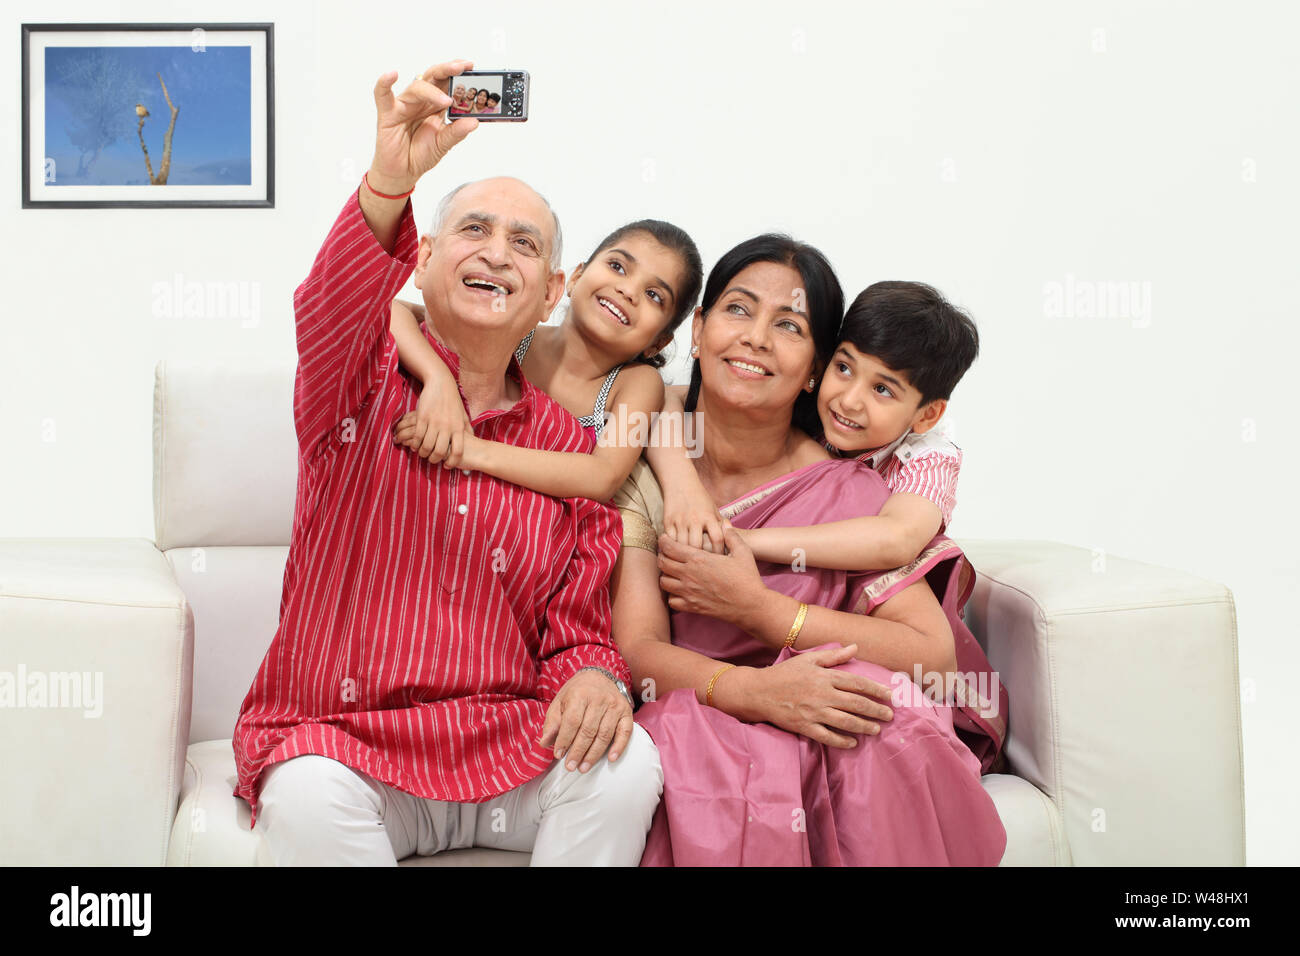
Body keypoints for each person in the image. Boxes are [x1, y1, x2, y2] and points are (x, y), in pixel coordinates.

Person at [232, 59, 662, 867]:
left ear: (550, 292)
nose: (497, 253)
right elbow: (332, 302)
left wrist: (598, 678)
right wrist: (389, 179)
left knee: (624, 765)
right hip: (346, 747)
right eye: (474, 230)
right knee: (309, 797)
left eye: (523, 244)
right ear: (421, 261)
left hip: (507, 749)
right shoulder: (353, 387)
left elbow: (579, 631)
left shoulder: (568, 451)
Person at [609, 235, 1008, 865]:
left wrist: (763, 612)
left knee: (879, 707)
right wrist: (756, 692)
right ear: (700, 327)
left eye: (788, 325)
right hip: (700, 698)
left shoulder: (856, 490)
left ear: (816, 364)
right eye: (738, 310)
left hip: (819, 701)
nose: (757, 338)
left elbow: (930, 654)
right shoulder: (638, 453)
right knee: (684, 735)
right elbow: (639, 655)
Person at [657, 280, 977, 573]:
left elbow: (895, 540)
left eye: (882, 390)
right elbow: (665, 401)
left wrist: (741, 540)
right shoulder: (807, 403)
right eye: (844, 368)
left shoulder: (929, 457)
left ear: (928, 415)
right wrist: (682, 486)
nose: (849, 400)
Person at [387, 212, 702, 501]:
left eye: (653, 295)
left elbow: (602, 476)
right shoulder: (513, 333)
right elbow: (390, 309)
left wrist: (469, 449)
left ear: (658, 343)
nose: (628, 291)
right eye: (617, 267)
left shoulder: (636, 383)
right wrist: (436, 377)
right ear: (575, 278)